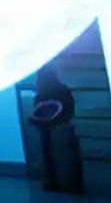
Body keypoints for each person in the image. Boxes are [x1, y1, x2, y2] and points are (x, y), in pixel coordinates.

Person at [30, 63, 83, 194]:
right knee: (65, 158)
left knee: (46, 156)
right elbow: (69, 109)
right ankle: (69, 184)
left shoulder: (39, 94)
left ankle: (49, 183)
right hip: (62, 128)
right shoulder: (63, 90)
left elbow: (37, 112)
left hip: (44, 128)